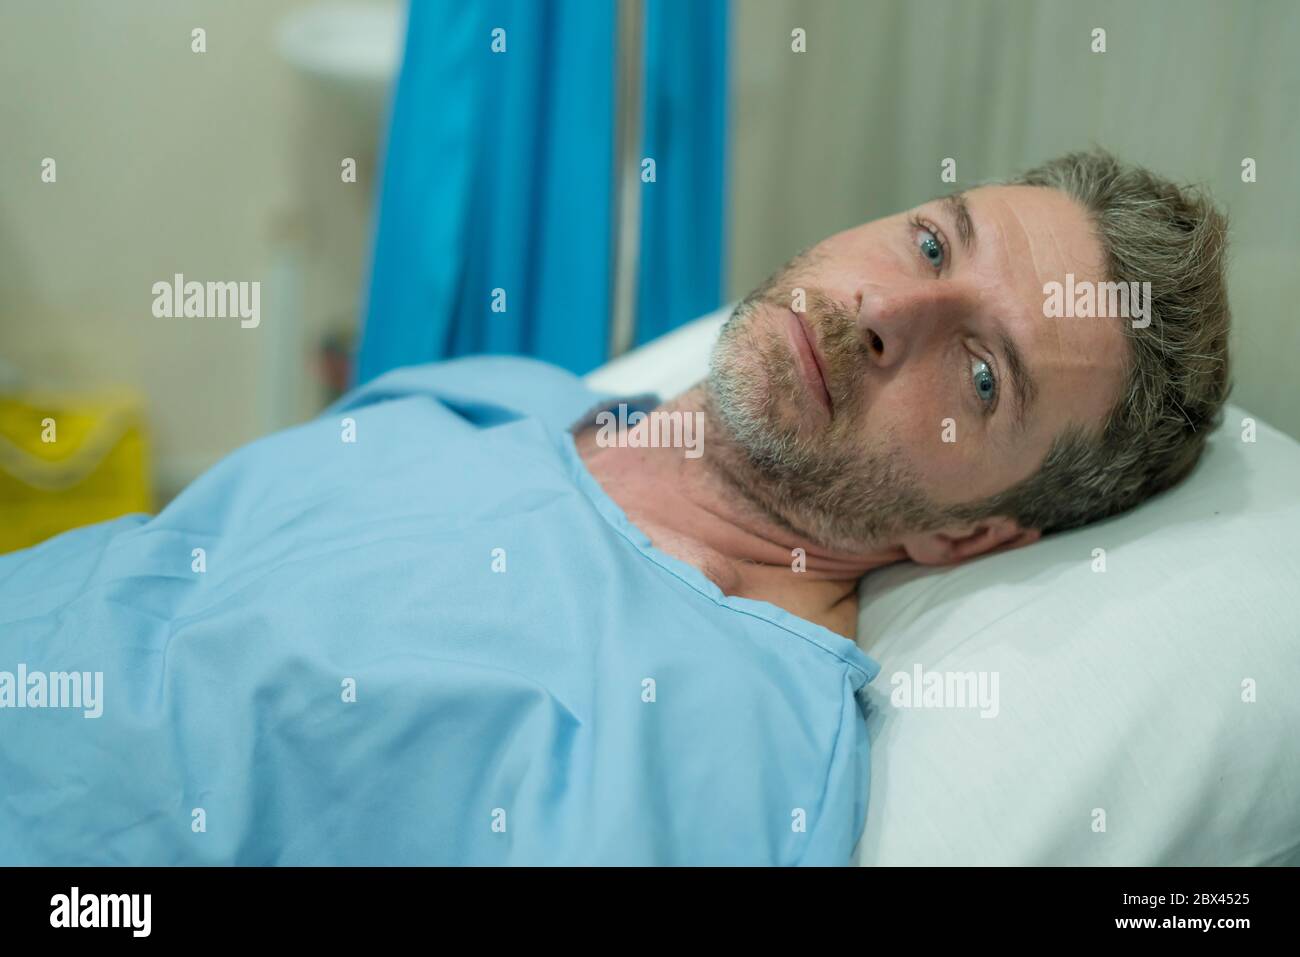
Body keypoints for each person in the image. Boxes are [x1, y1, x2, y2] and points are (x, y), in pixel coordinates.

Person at [0, 151, 1231, 865]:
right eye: (926, 247)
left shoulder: (718, 739)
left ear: (971, 535)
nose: (883, 314)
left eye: (979, 374)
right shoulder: (516, 397)